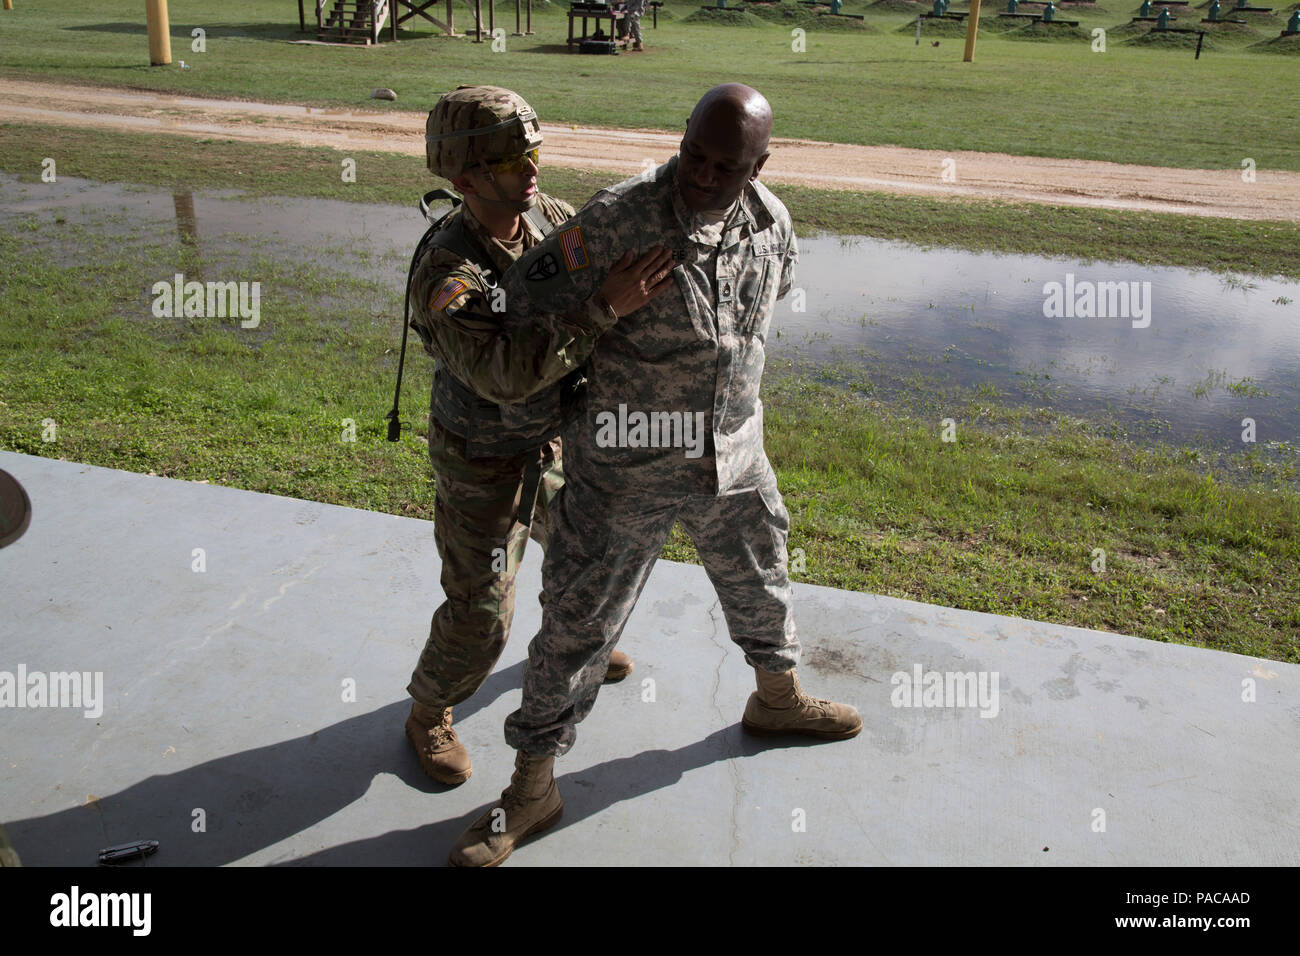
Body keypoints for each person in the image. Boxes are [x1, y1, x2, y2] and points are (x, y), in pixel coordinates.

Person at [448, 83, 861, 866]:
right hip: (622, 468)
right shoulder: (617, 218)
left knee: (763, 580)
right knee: (576, 629)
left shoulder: (771, 222)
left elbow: (755, 326)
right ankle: (532, 786)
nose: (701, 176)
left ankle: (776, 700)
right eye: (693, 155)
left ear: (759, 163)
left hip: (732, 459)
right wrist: (589, 329)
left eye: (724, 166)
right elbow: (513, 309)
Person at [405, 85, 675, 786]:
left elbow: (598, 256)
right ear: (463, 180)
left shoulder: (548, 217)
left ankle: (570, 649)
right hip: (483, 460)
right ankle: (429, 709)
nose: (530, 170)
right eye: (508, 160)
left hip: (552, 444)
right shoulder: (446, 271)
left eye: (533, 152)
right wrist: (604, 309)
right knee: (483, 614)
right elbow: (501, 373)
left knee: (586, 560)